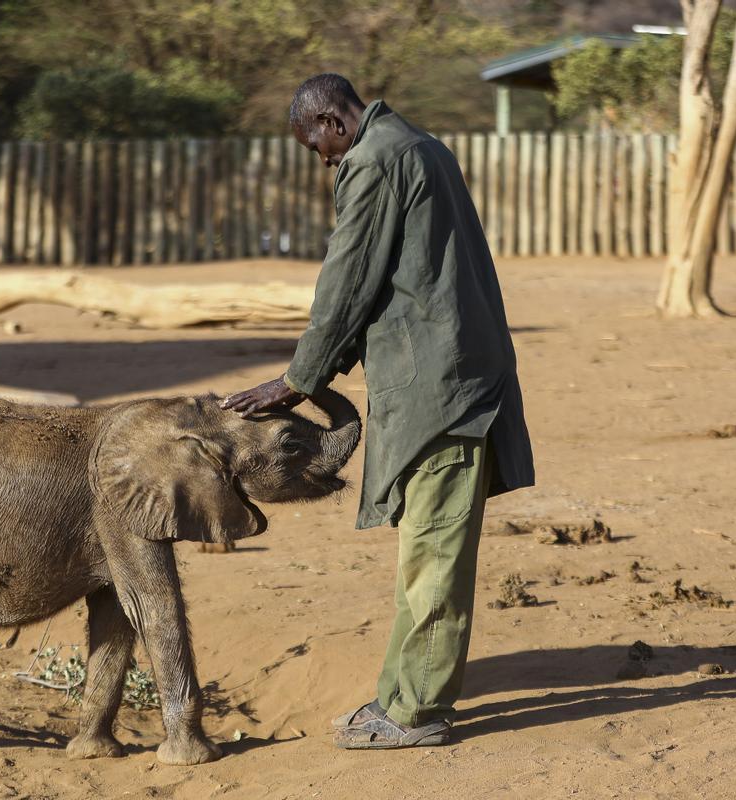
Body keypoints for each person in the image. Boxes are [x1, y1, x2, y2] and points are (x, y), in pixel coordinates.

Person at [222, 73, 534, 749]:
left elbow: (348, 276)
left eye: (320, 149)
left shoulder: (374, 159)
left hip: (441, 387)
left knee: (433, 550)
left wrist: (297, 380)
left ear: (333, 122)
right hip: (449, 372)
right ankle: (404, 691)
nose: (326, 162)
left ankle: (414, 712)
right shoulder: (420, 145)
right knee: (427, 542)